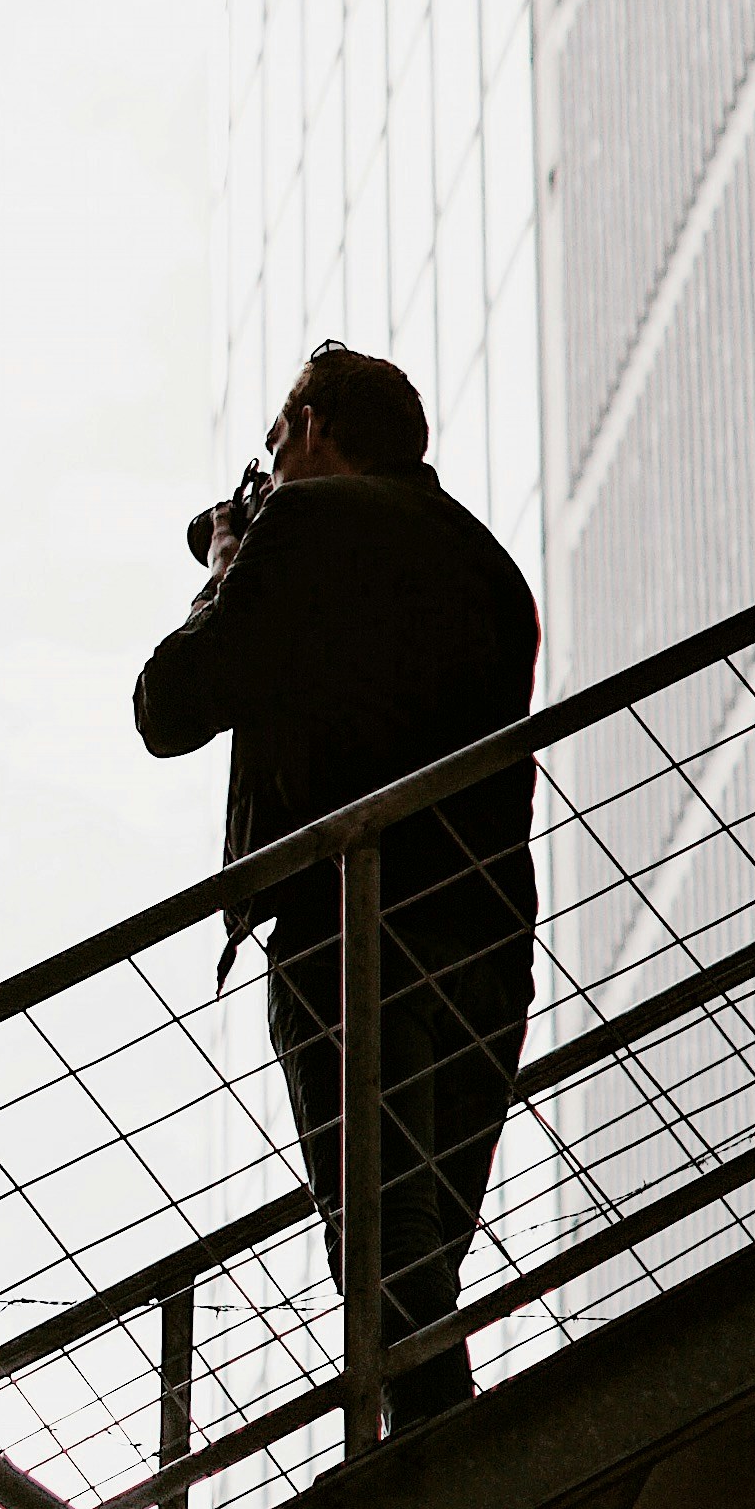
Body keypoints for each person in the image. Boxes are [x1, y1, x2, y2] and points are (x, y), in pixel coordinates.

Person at [134, 343, 539, 1435]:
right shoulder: (490, 567)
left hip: (348, 919)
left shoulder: (301, 531)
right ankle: (427, 1441)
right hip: (488, 924)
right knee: (422, 1236)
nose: (272, 467)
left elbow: (169, 707)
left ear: (313, 427)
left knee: (378, 1232)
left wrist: (226, 563)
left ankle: (439, 1464)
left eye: (276, 442)